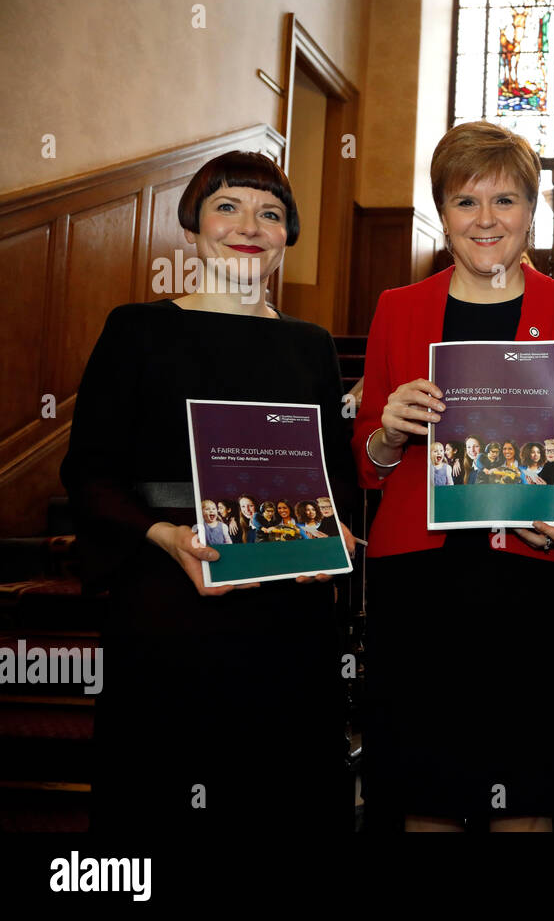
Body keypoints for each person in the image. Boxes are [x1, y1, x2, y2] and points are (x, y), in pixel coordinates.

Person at [59, 150, 355, 831]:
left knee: (281, 797)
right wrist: (162, 535)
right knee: (166, 795)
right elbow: (90, 471)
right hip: (169, 598)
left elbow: (332, 474)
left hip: (287, 608)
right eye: (229, 206)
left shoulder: (311, 347)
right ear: (192, 228)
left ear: (287, 238)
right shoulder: (137, 329)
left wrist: (335, 529)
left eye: (271, 212)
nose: (250, 223)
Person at [354, 120, 554, 832]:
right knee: (426, 794)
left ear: (532, 212)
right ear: (441, 215)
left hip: (533, 573)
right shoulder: (397, 309)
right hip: (421, 581)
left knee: (527, 796)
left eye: (505, 201)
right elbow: (364, 459)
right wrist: (386, 433)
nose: (485, 220)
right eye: (465, 202)